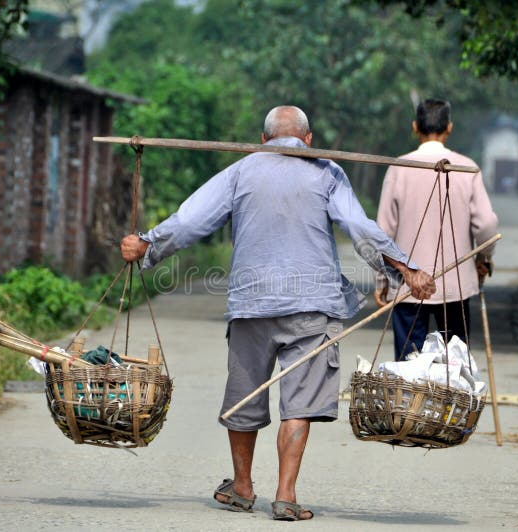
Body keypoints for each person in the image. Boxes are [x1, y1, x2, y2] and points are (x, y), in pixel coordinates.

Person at [120, 105, 435, 521]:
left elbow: (192, 219)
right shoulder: (326, 170)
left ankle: (243, 487)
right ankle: (286, 495)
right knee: (300, 403)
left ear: (263, 139)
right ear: (308, 139)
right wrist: (405, 269)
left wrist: (147, 244)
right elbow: (360, 229)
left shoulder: (242, 170)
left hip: (252, 304)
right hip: (312, 305)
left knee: (244, 396)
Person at [374, 99, 498, 361]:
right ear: (449, 128)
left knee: (408, 372)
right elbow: (486, 223)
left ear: (415, 127)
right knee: (453, 371)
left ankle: (410, 403)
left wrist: (382, 280)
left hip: (409, 286)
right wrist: (482, 258)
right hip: (456, 286)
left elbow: (383, 232)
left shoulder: (399, 167)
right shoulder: (466, 168)